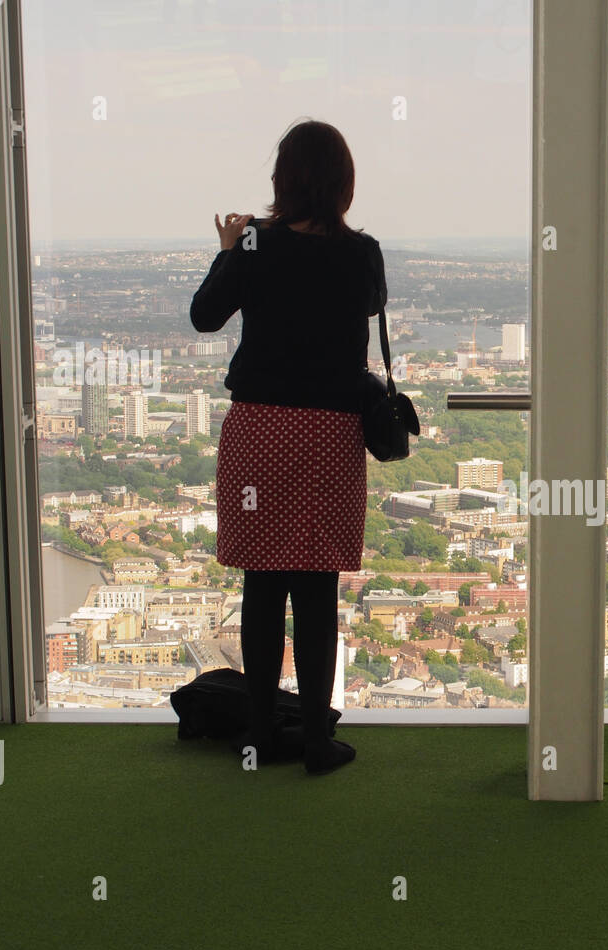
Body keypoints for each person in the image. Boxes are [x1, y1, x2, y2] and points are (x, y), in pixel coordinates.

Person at [190, 119, 386, 775]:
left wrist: (231, 246)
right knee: (317, 585)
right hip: (330, 433)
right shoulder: (362, 253)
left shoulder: (254, 240)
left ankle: (260, 737)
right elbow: (368, 306)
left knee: (262, 583)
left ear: (282, 181)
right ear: (343, 183)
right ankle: (314, 741)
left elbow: (204, 315)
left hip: (259, 431)